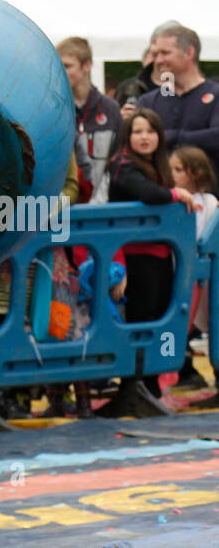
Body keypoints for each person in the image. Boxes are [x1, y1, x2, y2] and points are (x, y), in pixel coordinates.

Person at [108, 108, 193, 398]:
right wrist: (175, 194)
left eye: (150, 131)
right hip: (134, 258)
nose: (144, 137)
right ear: (127, 137)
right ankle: (134, 386)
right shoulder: (122, 166)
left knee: (160, 317)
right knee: (140, 319)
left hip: (160, 256)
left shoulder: (160, 167)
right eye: (137, 131)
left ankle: (153, 384)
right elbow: (147, 194)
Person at [137, 23, 219, 181]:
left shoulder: (215, 95)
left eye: (165, 53)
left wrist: (173, 137)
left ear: (189, 52)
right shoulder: (148, 101)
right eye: (155, 54)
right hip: (162, 199)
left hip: (211, 200)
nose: (158, 60)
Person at [168, 145, 218, 390]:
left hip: (205, 278)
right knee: (180, 326)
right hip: (180, 276)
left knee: (206, 323)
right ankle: (182, 372)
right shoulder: (171, 200)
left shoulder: (209, 203)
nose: (173, 174)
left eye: (179, 170)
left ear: (196, 173)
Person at [57, 37, 121, 201]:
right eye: (59, 66)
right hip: (64, 207)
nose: (61, 72)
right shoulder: (54, 109)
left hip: (103, 207)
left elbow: (117, 161)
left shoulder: (110, 109)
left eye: (67, 66)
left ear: (87, 65)